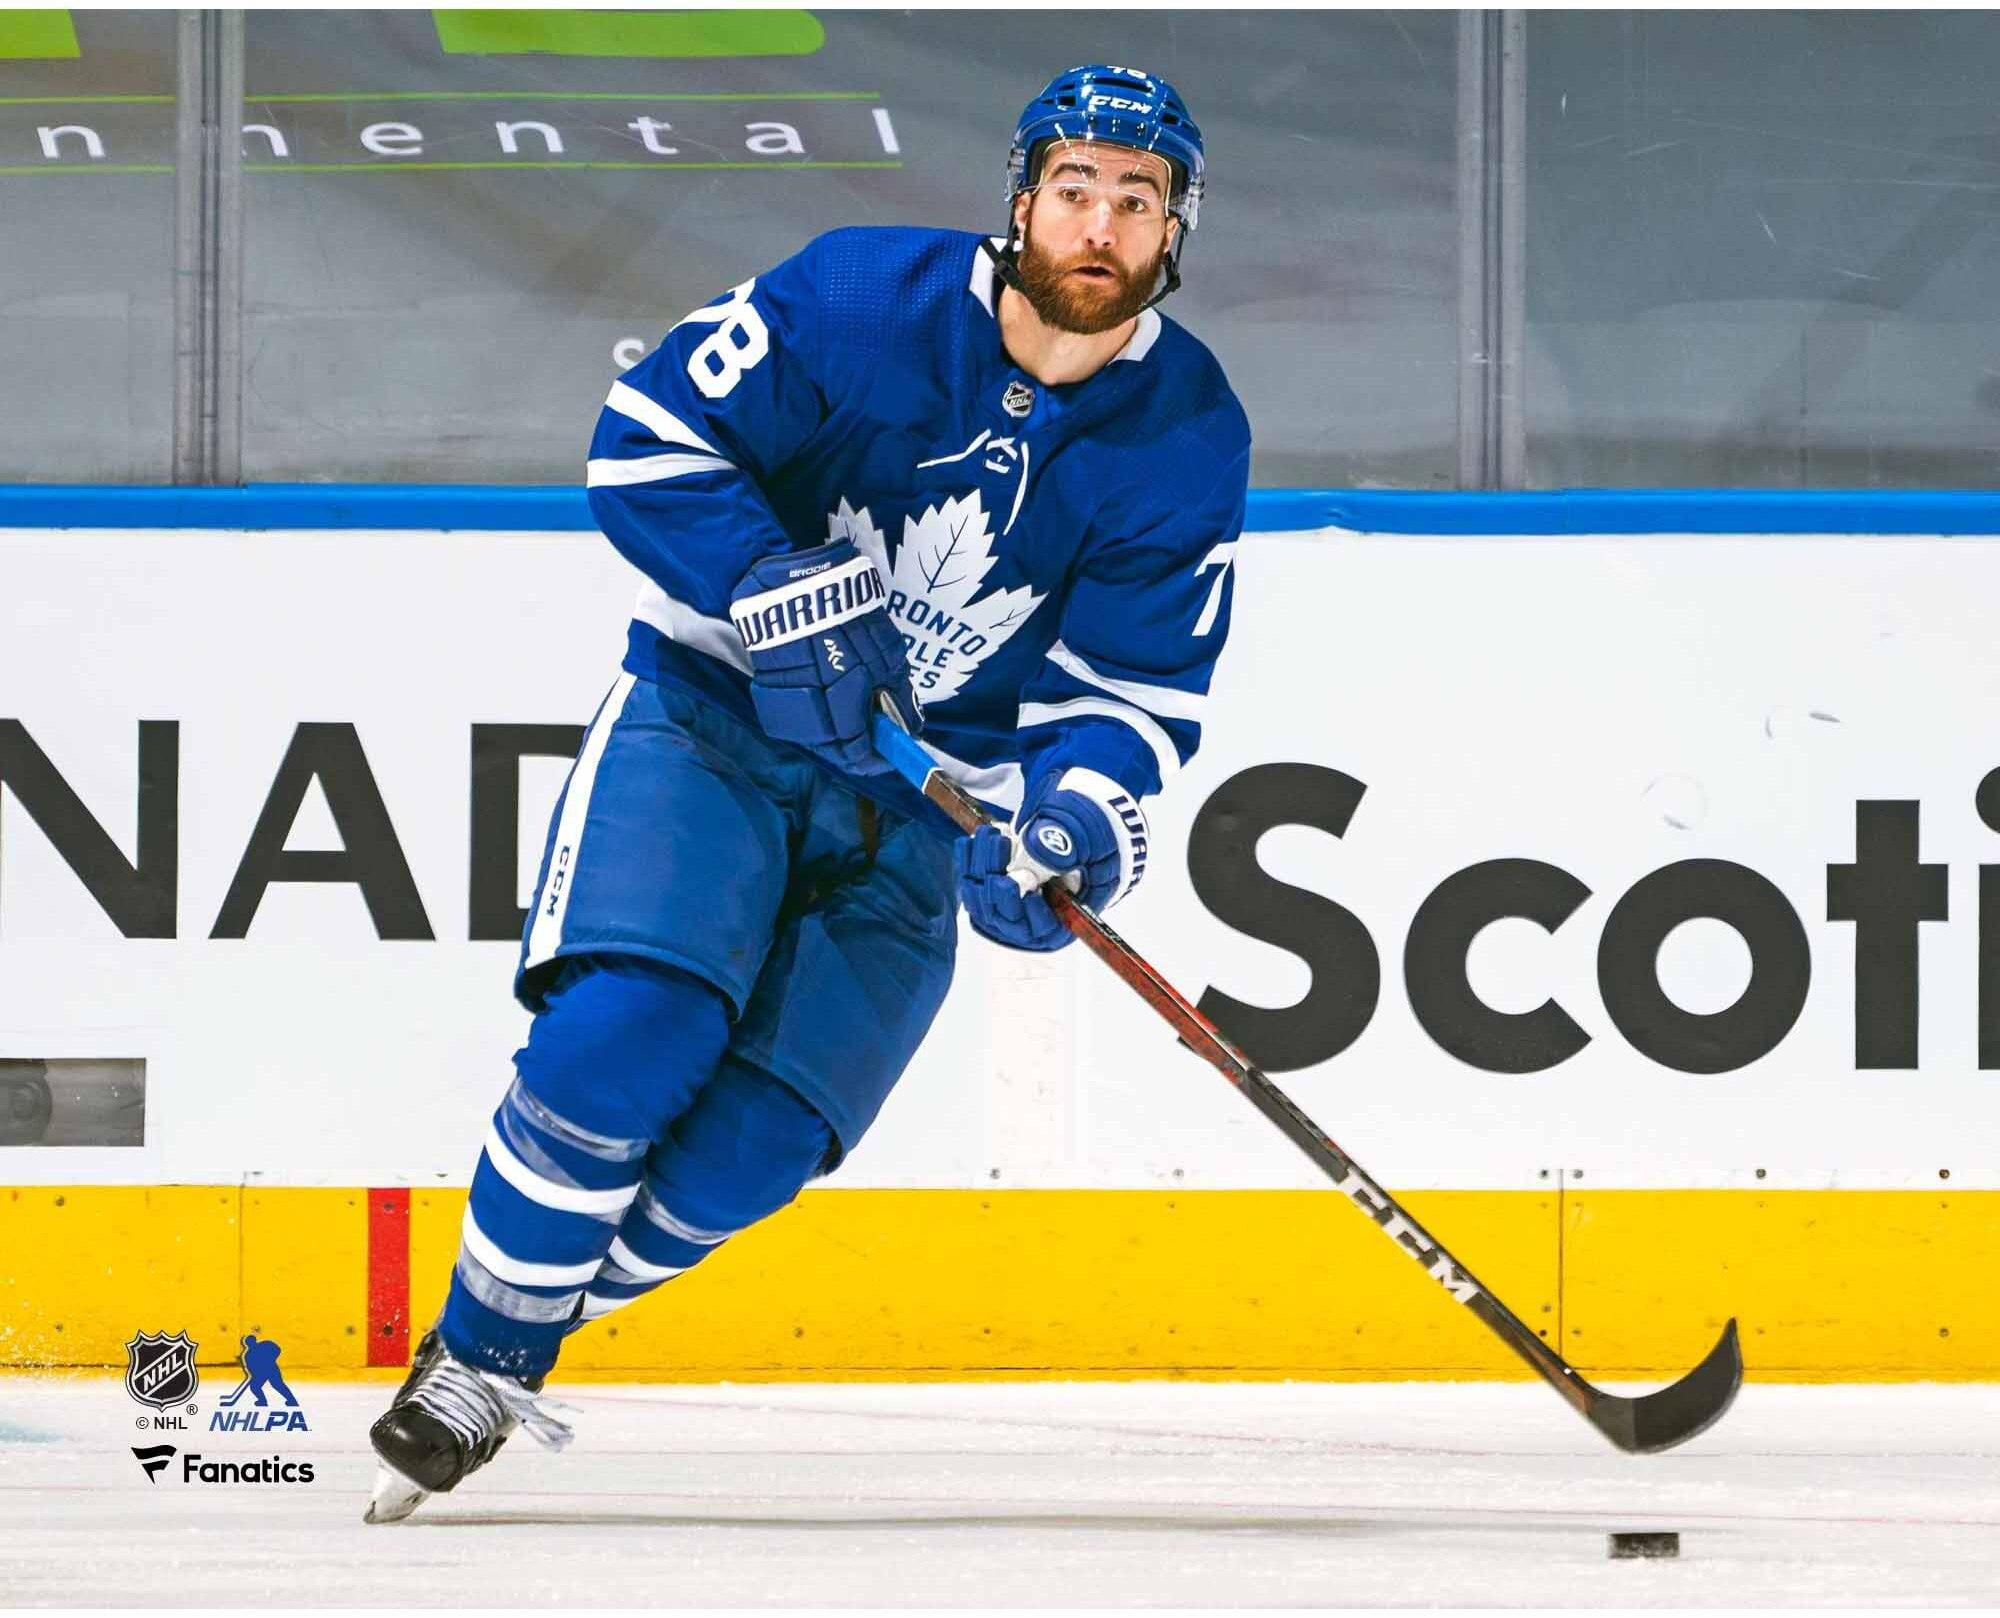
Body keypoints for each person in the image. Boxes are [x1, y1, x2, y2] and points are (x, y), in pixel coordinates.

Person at [365, 63, 1250, 1524]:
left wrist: (1074, 817)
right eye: (1076, 188)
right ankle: (480, 1363)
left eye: (1137, 200)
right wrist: (769, 582)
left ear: (1175, 231)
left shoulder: (1189, 429)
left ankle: (513, 1329)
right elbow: (645, 439)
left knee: (755, 1151)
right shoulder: (858, 300)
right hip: (714, 721)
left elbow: (1135, 689)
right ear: (1021, 200)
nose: (1101, 225)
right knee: (628, 1033)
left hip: (926, 807)